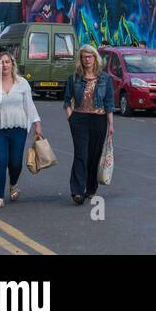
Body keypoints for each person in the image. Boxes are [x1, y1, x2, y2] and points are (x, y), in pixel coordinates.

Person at [0, 50, 43, 209]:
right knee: (0, 161)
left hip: (18, 127)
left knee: (15, 163)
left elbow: (29, 105)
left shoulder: (22, 83)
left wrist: (37, 124)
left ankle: (13, 183)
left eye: (7, 62)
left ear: (12, 64)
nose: (5, 65)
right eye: (1, 62)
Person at [62, 45, 114, 205]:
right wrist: (71, 118)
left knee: (94, 155)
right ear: (81, 58)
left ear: (95, 57)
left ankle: (91, 188)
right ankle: (77, 191)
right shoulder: (74, 78)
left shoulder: (105, 78)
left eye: (90, 56)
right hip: (79, 119)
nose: (87, 59)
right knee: (81, 154)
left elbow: (109, 103)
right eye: (84, 56)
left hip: (99, 120)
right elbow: (66, 100)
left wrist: (111, 124)